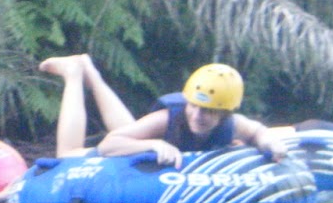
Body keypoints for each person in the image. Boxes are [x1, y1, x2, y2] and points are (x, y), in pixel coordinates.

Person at [38, 55, 282, 167]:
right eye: (194, 106)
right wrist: (152, 145)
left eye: (207, 111)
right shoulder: (167, 118)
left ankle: (89, 69)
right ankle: (74, 73)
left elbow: (259, 132)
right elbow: (107, 146)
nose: (197, 116)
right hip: (129, 147)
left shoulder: (234, 123)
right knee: (66, 155)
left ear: (224, 114)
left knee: (128, 129)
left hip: (136, 139)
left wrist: (271, 143)